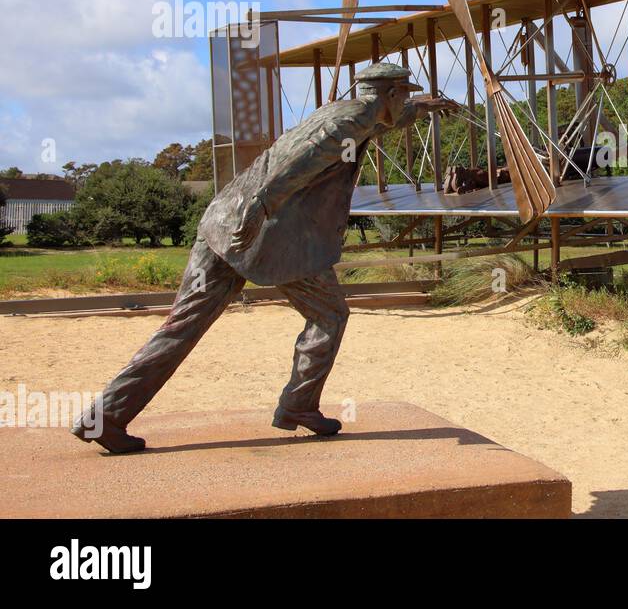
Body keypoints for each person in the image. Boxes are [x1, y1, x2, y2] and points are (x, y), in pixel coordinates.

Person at [72, 62, 437, 453]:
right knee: (329, 316)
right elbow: (296, 164)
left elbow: (383, 123)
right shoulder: (347, 124)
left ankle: (106, 416)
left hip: (222, 224)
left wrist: (426, 107)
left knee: (181, 325)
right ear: (392, 94)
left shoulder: (350, 113)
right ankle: (298, 404)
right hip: (268, 235)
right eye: (406, 94)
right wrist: (261, 206)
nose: (407, 101)